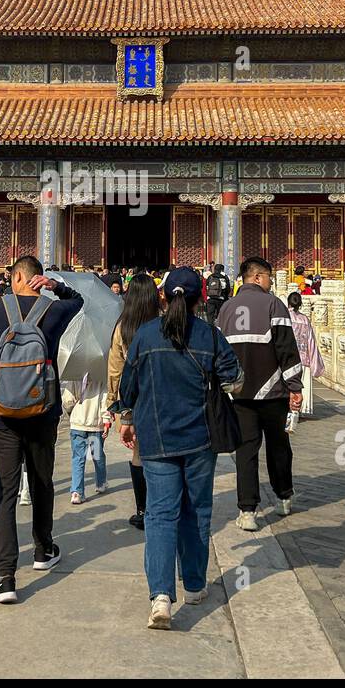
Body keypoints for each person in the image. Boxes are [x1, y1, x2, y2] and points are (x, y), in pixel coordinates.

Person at [119, 267, 241, 630]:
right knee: (196, 510)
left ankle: (160, 596)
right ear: (200, 298)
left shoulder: (144, 335)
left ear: (162, 296)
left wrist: (127, 418)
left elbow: (128, 387)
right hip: (200, 438)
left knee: (159, 514)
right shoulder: (210, 336)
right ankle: (194, 583)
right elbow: (234, 379)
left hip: (156, 438)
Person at [0, 256, 84, 605]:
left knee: (5, 491)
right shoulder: (53, 310)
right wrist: (57, 288)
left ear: (16, 276)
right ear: (39, 278)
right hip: (42, 409)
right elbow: (78, 301)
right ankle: (43, 550)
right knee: (42, 480)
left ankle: (5, 578)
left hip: (1, 413)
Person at [217, 256, 303, 530]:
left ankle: (247, 510)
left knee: (246, 451)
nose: (270, 282)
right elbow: (286, 349)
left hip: (239, 394)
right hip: (272, 391)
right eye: (268, 277)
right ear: (256, 277)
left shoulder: (226, 309)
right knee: (278, 446)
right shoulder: (273, 304)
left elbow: (219, 354)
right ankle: (283, 496)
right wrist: (295, 386)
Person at [107, 273, 162, 529]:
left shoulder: (123, 327)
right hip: (161, 395)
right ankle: (161, 506)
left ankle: (143, 510)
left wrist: (114, 405)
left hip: (134, 397)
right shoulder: (163, 323)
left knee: (139, 452)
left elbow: (115, 370)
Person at [65, 372, 109, 505]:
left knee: (78, 458)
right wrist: (106, 421)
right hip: (95, 426)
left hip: (77, 424)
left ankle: (77, 492)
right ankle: (101, 483)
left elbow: (67, 400)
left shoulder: (74, 374)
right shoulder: (101, 376)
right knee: (97, 455)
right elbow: (104, 401)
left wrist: (71, 411)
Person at [285, 291, 325, 420]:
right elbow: (311, 342)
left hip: (287, 358)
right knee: (301, 386)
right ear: (300, 304)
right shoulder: (304, 319)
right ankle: (299, 409)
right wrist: (315, 363)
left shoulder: (284, 317)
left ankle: (287, 409)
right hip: (303, 358)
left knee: (287, 385)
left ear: (288, 302)